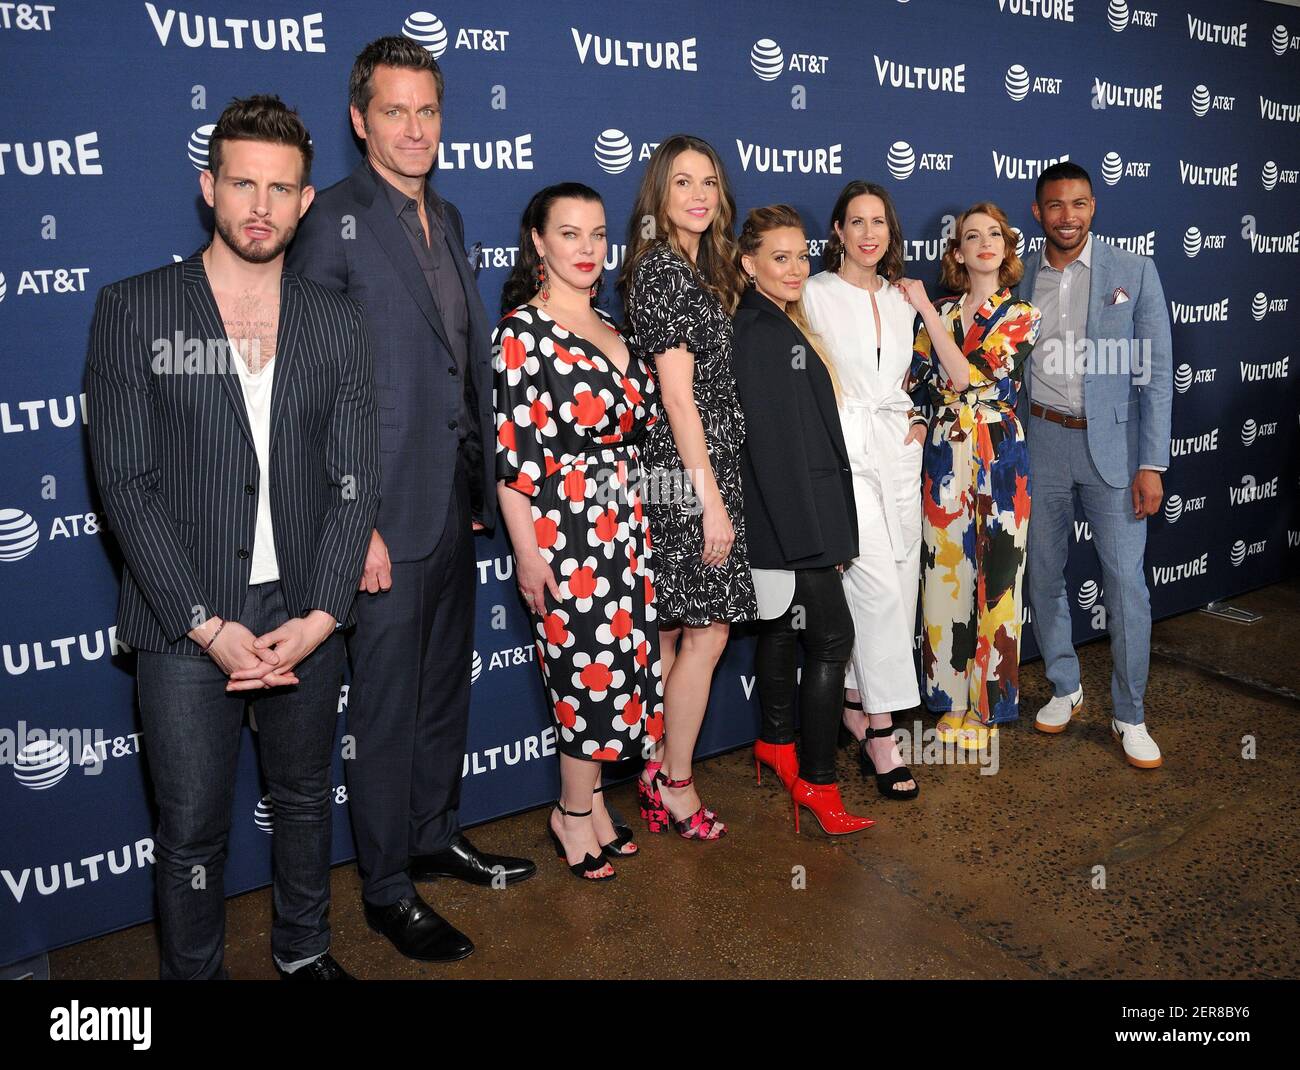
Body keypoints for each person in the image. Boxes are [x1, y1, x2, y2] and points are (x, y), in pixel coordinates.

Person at [85, 96, 380, 980]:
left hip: (303, 612)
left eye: (280, 188)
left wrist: (325, 613)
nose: (260, 204)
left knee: (299, 802)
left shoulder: (335, 320)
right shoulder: (134, 310)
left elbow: (355, 478)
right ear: (208, 186)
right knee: (190, 833)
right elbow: (125, 487)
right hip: (185, 621)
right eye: (243, 182)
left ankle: (304, 951)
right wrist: (207, 625)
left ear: (306, 201)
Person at [286, 36, 534, 964]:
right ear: (359, 121)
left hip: (450, 503)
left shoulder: (454, 215)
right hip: (377, 518)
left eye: (427, 110)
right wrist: (352, 525)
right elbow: (305, 389)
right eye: (395, 111)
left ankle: (433, 835)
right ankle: (386, 887)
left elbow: (457, 360)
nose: (415, 128)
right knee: (384, 712)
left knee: (439, 695)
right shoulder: (332, 220)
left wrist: (482, 481)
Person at [493, 183, 664, 879]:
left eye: (597, 234)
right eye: (569, 234)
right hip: (564, 532)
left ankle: (590, 805)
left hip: (624, 524)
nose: (587, 248)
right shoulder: (521, 332)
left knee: (618, 674)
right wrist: (528, 557)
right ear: (538, 241)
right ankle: (569, 815)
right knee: (582, 679)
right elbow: (513, 461)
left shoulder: (614, 328)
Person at [619, 134, 758, 841]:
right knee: (706, 632)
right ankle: (676, 785)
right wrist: (710, 502)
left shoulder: (700, 269)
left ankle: (656, 771)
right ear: (659, 196)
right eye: (683, 183)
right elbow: (678, 401)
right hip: (686, 475)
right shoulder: (666, 274)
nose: (700, 194)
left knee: (675, 634)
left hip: (689, 470)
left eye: (708, 182)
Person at [1021, 162, 1172, 768]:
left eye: (1079, 204)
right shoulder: (1019, 275)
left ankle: (1129, 713)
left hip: (1114, 451)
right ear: (1038, 212)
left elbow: (1155, 376)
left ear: (1094, 207)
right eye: (1056, 205)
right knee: (1044, 574)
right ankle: (1065, 684)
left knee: (1126, 587)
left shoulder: (1134, 272)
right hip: (1040, 443)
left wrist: (1152, 463)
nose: (1068, 216)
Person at [730, 205, 873, 836]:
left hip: (787, 524)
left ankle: (776, 744)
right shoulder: (763, 334)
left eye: (799, 256)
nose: (794, 269)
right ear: (748, 263)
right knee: (832, 643)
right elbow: (777, 451)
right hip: (796, 526)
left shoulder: (772, 324)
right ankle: (818, 784)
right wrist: (812, 544)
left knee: (782, 635)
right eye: (778, 258)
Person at [901, 202, 1041, 749]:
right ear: (957, 253)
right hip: (943, 457)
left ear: (1007, 249)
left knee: (999, 583)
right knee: (942, 577)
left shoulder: (1023, 314)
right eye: (971, 237)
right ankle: (950, 700)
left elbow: (964, 377)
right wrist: (916, 420)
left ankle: (988, 708)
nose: (985, 243)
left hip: (1000, 456)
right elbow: (917, 383)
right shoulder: (941, 310)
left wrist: (925, 312)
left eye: (995, 235)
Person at [803, 181, 922, 800]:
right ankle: (883, 735)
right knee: (875, 586)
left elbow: (922, 376)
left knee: (900, 586)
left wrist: (920, 420)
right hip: (845, 455)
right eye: (857, 222)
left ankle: (855, 701)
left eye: (879, 222)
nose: (869, 233)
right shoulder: (815, 293)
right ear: (838, 231)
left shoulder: (903, 299)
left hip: (899, 450)